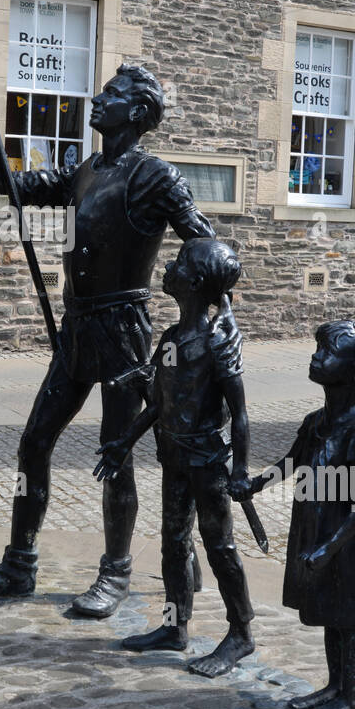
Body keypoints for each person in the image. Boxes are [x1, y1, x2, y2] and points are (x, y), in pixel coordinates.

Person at [0, 65, 215, 617]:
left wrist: (205, 323)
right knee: (35, 440)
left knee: (114, 454)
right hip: (77, 329)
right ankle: (18, 563)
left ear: (138, 114)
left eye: (113, 95)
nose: (97, 99)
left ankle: (116, 571)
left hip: (123, 331)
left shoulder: (156, 178)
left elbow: (209, 250)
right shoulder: (84, 171)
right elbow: (5, 184)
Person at [96, 238, 255, 675]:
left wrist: (240, 469)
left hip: (207, 464)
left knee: (220, 547)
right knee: (173, 544)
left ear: (196, 282)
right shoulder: (170, 338)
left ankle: (241, 634)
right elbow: (159, 404)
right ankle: (174, 626)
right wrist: (123, 441)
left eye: (180, 262)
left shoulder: (217, 344)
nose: (169, 265)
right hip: (174, 461)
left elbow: (240, 415)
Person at [230, 321, 355, 709]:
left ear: (354, 370)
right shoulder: (317, 421)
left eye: (328, 351)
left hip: (347, 544)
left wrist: (327, 548)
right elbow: (291, 462)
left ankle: (349, 699)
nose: (316, 356)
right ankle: (334, 688)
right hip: (318, 531)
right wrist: (256, 485)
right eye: (318, 349)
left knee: (348, 623)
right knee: (329, 615)